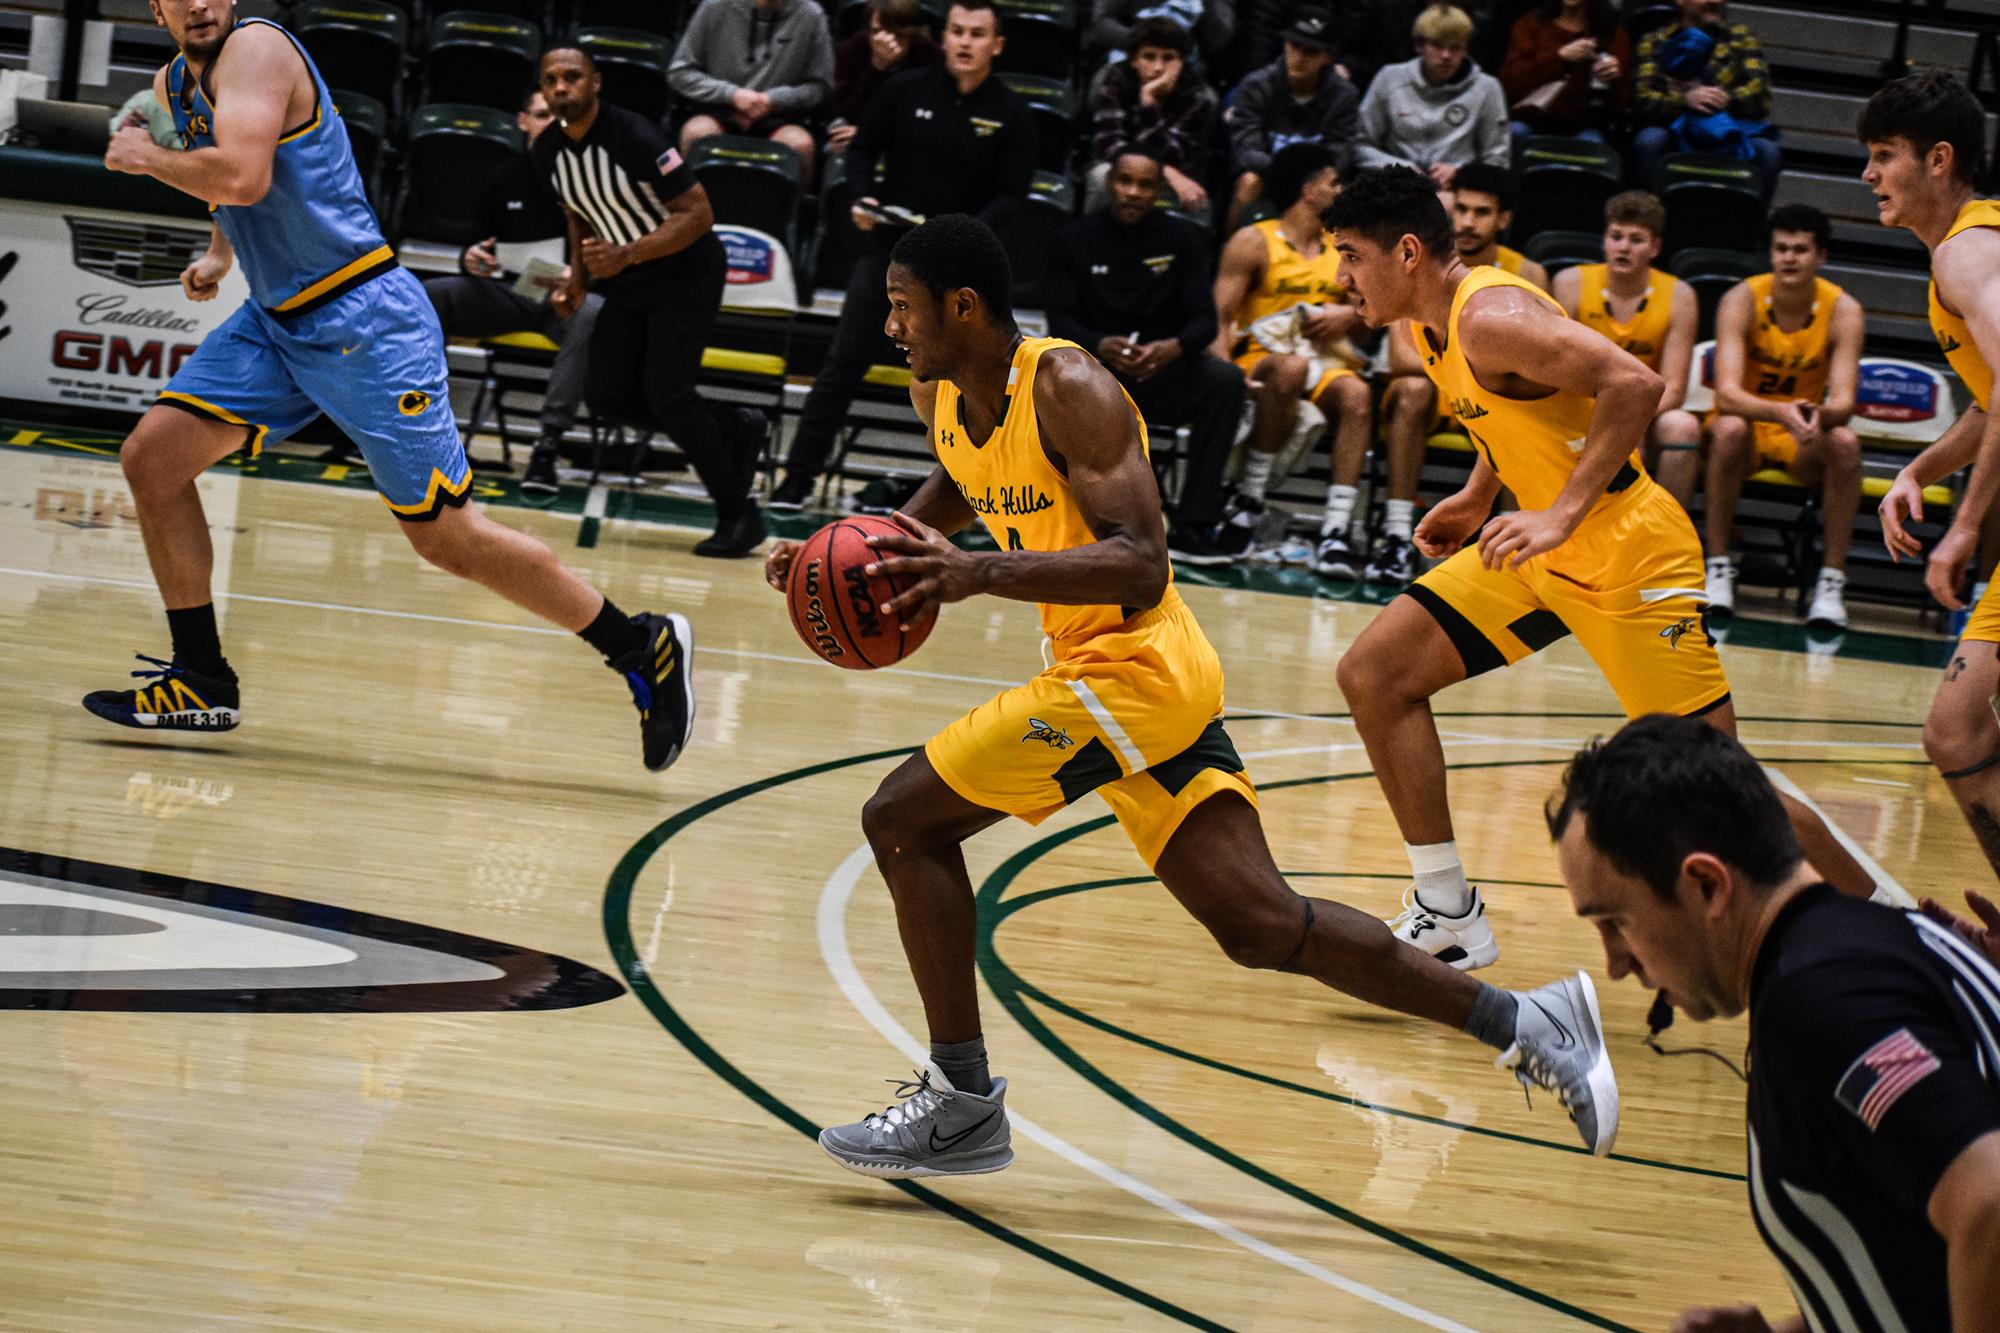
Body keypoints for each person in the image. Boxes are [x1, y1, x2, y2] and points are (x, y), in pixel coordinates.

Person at [762, 213, 1621, 1176]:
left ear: (962, 306)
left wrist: (978, 577)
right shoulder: (943, 397)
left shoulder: (1069, 386)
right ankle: (1530, 1020)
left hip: (1127, 674)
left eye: (901, 306)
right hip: (1124, 678)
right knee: (1260, 925)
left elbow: (1140, 562)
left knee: (902, 822)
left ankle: (961, 1101)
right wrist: (853, 554)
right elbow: (965, 487)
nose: (890, 326)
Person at [88, 0, 697, 773]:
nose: (200, 2)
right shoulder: (174, 83)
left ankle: (639, 645)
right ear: (157, 6)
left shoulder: (257, 49)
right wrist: (217, 255)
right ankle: (201, 676)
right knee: (153, 459)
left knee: (449, 540)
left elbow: (242, 174)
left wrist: (145, 159)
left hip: (363, 320)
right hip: (278, 322)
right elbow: (228, 181)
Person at [1324, 167, 1872, 970]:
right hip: (1536, 552)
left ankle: (1901, 937)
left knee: (1720, 794)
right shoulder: (1424, 322)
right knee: (1374, 673)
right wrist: (1482, 493)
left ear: (1406, 252)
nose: (1340, 276)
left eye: (1349, 255)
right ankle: (1446, 908)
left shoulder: (1493, 317)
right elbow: (1511, 413)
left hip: (1626, 549)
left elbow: (1635, 383)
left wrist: (1560, 512)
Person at [1547, 716, 2000, 1333]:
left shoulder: (1822, 998)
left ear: (1707, 884)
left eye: (1615, 922)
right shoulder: (1881, 939)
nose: (1616, 964)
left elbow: (1991, 1203)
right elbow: (1922, 1238)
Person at [766, 0, 1035, 511]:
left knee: (978, 385)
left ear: (996, 45)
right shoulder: (905, 90)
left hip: (962, 273)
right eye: (957, 31)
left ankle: (989, 492)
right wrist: (863, 196)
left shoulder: (1013, 114)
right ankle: (796, 480)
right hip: (892, 255)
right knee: (841, 363)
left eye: (977, 34)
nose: (965, 42)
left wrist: (967, 232)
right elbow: (862, 151)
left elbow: (1014, 194)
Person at [535, 46, 767, 559]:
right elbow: (577, 210)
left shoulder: (636, 137)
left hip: (685, 271)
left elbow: (698, 213)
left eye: (572, 77)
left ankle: (739, 514)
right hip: (627, 276)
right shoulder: (547, 148)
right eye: (550, 79)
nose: (560, 88)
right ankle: (731, 427)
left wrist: (626, 253)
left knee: (670, 394)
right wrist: (578, 278)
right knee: (607, 395)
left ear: (596, 82)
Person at [1866, 70, 2000, 880]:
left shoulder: (1968, 252)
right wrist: (1920, 465)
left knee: (1958, 729)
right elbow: (1990, 406)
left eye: (1885, 156)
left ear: (1939, 159)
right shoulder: (1967, 253)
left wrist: (1964, 527)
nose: (1870, 175)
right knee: (1956, 732)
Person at [1045, 149, 1247, 565]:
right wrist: (1101, 346)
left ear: (1159, 192)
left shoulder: (1184, 240)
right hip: (1094, 376)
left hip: (1161, 372)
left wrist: (1170, 349)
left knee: (1226, 381)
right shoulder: (1072, 239)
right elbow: (1060, 320)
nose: (1133, 193)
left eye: (1145, 185)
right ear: (1109, 183)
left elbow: (1204, 323)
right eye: (1125, 181)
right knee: (1046, 370)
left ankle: (1194, 524)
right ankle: (1057, 514)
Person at [1204, 144, 1386, 575]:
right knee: (1290, 367)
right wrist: (1228, 378)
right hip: (1261, 360)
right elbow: (1219, 318)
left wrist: (1348, 313)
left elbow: (1370, 314)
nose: (1339, 189)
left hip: (1321, 360)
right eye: (1332, 182)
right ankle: (1249, 498)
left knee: (1358, 396)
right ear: (1308, 190)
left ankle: (1337, 529)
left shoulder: (1342, 245)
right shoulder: (1254, 241)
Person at [419, 87, 603, 495]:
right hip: (508, 293)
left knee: (592, 312)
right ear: (523, 122)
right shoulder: (502, 178)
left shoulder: (597, 183)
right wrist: (470, 259)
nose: (551, 125)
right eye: (541, 115)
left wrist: (581, 275)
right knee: (428, 295)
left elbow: (622, 258)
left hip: (566, 301)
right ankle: (414, 426)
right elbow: (477, 245)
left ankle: (547, 445)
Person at [1701, 204, 1862, 629]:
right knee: (1729, 428)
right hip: (1751, 426)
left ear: (1820, 256)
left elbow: (1845, 403)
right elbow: (1728, 395)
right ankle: (1717, 567)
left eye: (1800, 249)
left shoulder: (1844, 310)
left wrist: (1814, 415)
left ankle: (1831, 583)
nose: (1789, 257)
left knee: (1846, 442)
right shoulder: (1741, 299)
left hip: (1802, 435)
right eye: (1781, 248)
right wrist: (1780, 411)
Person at [1552, 190, 1701, 508]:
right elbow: (1556, 368)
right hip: (1581, 403)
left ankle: (1665, 531)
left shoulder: (1680, 295)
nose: (1623, 247)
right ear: (1604, 240)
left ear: (1655, 248)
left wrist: (1631, 420)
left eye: (1636, 239)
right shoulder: (1570, 283)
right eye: (1616, 236)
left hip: (1645, 407)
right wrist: (1612, 420)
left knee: (1683, 427)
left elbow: (1674, 389)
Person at [1221, 7, 1359, 233]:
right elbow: (1246, 149)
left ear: (1328, 56)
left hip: (1317, 180)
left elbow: (1341, 153)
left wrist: (1310, 179)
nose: (1299, 58)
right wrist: (1289, 173)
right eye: (1294, 46)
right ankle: (1230, 251)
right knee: (1248, 182)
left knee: (1340, 192)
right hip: (1267, 175)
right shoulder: (1256, 85)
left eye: (1311, 51)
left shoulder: (1344, 94)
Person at [668, 0, 834, 180]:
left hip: (779, 119)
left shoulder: (811, 14)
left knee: (800, 144)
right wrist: (731, 95)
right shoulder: (713, 7)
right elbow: (680, 72)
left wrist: (774, 100)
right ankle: (692, 205)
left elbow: (821, 87)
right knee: (697, 132)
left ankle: (791, 208)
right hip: (719, 112)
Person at [1355, 5, 1510, 189]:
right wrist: (1400, 168)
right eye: (1437, 45)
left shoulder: (1487, 88)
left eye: (1455, 48)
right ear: (1419, 46)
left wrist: (1460, 172)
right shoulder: (1389, 78)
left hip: (1456, 188)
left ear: (1466, 49)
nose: (1446, 55)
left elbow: (1498, 160)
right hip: (1392, 182)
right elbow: (1361, 145)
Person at [1630, 0, 1776, 191]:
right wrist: (1685, 100)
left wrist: (1722, 98)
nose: (1715, 1)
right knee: (1650, 141)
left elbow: (1760, 94)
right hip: (1674, 127)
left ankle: (1752, 219)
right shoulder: (1654, 41)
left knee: (1768, 151)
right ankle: (1647, 216)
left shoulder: (1741, 37)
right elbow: (1644, 99)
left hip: (1729, 128)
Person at [1083, 19, 1217, 217]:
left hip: (1176, 173)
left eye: (1168, 58)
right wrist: (1167, 171)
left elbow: (1177, 154)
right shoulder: (1114, 80)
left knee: (1197, 199)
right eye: (1149, 57)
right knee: (1101, 176)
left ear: (1182, 62)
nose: (1158, 67)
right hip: (1130, 169)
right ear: (1134, 61)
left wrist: (1148, 105)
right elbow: (1109, 146)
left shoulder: (1199, 95)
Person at [1498, 0, 1631, 143]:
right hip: (1531, 121)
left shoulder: (1614, 35)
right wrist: (1559, 58)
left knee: (1592, 143)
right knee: (1515, 132)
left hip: (1585, 126)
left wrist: (1614, 78)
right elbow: (1508, 86)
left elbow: (1622, 105)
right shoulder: (1530, 26)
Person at [827, 0, 939, 153]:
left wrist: (871, 134)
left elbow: (928, 116)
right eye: (876, 31)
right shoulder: (852, 49)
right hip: (856, 134)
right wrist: (877, 68)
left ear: (911, 33)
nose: (884, 41)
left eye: (895, 34)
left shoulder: (931, 55)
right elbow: (844, 113)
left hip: (908, 140)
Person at [1446, 161, 1549, 290]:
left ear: (1504, 220)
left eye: (1482, 212)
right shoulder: (1428, 265)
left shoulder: (1528, 274)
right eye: (1461, 209)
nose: (1467, 223)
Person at [1086, 0, 1236, 75]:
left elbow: (1218, 41)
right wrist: (1147, 43)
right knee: (1103, 88)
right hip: (1129, 59)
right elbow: (1101, 25)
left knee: (1209, 101)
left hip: (1186, 69)